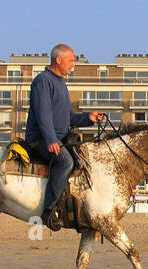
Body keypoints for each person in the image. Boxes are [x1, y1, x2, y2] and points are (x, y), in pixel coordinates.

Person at [25, 44, 105, 229]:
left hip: (57, 138)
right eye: (71, 61)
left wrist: (89, 118)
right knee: (66, 162)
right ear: (58, 60)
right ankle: (48, 211)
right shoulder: (43, 81)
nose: (73, 65)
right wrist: (51, 139)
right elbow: (43, 115)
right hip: (41, 139)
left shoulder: (60, 83)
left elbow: (69, 117)